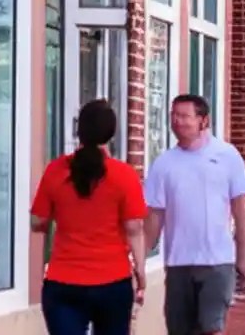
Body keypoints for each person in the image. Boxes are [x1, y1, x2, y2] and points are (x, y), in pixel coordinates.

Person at [31, 100, 146, 335]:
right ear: (111, 133)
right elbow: (135, 228)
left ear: (78, 130)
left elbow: (37, 222)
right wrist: (141, 273)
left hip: (63, 281)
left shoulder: (56, 170)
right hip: (113, 281)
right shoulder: (124, 175)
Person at [144, 94, 245, 335]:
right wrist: (139, 258)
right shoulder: (164, 164)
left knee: (211, 327)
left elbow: (240, 209)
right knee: (180, 329)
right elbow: (154, 216)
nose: (177, 122)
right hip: (178, 263)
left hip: (218, 261)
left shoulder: (227, 155)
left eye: (185, 116)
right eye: (173, 116)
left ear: (203, 121)